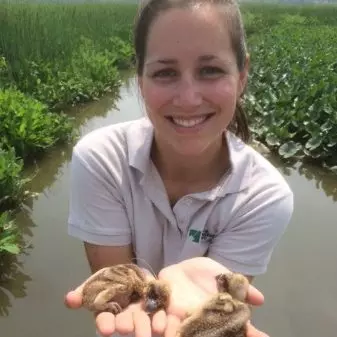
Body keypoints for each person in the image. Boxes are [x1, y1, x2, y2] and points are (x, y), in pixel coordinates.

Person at [64, 0, 294, 336]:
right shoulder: (100, 158)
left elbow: (214, 313)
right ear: (140, 80)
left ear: (242, 75)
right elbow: (116, 291)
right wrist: (136, 296)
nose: (188, 98)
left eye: (210, 70)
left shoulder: (264, 196)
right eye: (165, 72)